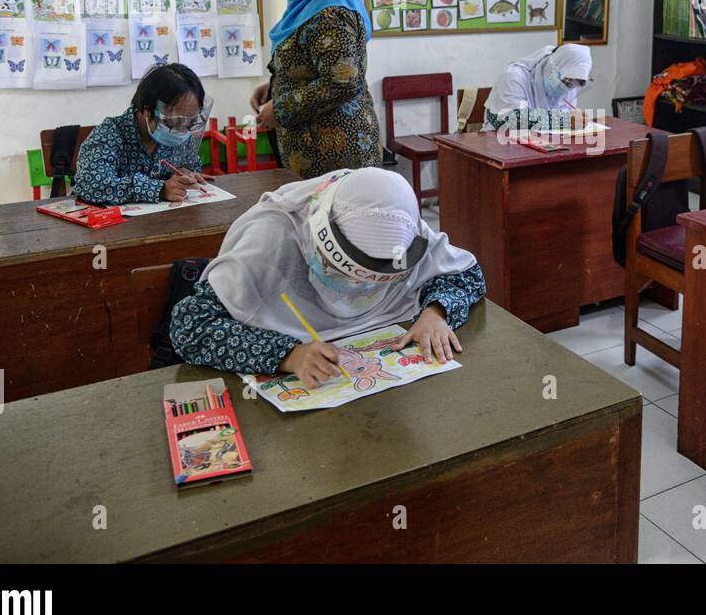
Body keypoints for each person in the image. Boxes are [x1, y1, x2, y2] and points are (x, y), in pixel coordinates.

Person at [170, 167, 487, 386]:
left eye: (375, 280)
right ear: (315, 242)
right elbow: (191, 326)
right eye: (343, 272)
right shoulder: (272, 238)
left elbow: (466, 273)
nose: (357, 287)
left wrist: (435, 313)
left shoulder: (396, 222)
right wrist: (288, 355)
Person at [250, 0, 381, 178]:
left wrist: (281, 107)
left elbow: (342, 82)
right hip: (313, 148)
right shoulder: (306, 6)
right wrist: (276, 84)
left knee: (336, 218)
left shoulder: (331, 11)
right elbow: (312, 62)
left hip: (336, 151)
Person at [72, 63, 211, 205]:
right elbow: (90, 184)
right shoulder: (109, 134)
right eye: (174, 122)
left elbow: (190, 165)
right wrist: (160, 189)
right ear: (147, 110)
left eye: (191, 123)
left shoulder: (182, 133)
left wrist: (187, 175)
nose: (182, 131)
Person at [483, 43, 593, 131]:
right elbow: (511, 119)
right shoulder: (513, 76)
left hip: (545, 143)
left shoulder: (569, 82)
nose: (567, 88)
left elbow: (567, 116)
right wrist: (563, 120)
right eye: (566, 82)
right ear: (552, 68)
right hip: (500, 145)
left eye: (572, 85)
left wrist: (578, 119)